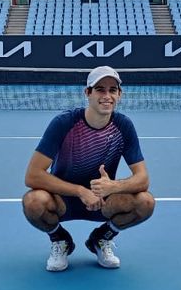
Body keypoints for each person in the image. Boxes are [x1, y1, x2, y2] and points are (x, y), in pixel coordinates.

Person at [23, 65, 155, 272]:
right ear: (88, 93)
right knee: (33, 202)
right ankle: (60, 240)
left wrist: (112, 186)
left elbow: (143, 179)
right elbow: (32, 176)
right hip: (62, 200)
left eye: (113, 90)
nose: (107, 96)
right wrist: (80, 191)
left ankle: (102, 239)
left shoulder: (123, 126)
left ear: (120, 95)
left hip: (103, 201)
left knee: (146, 202)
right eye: (100, 89)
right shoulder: (64, 123)